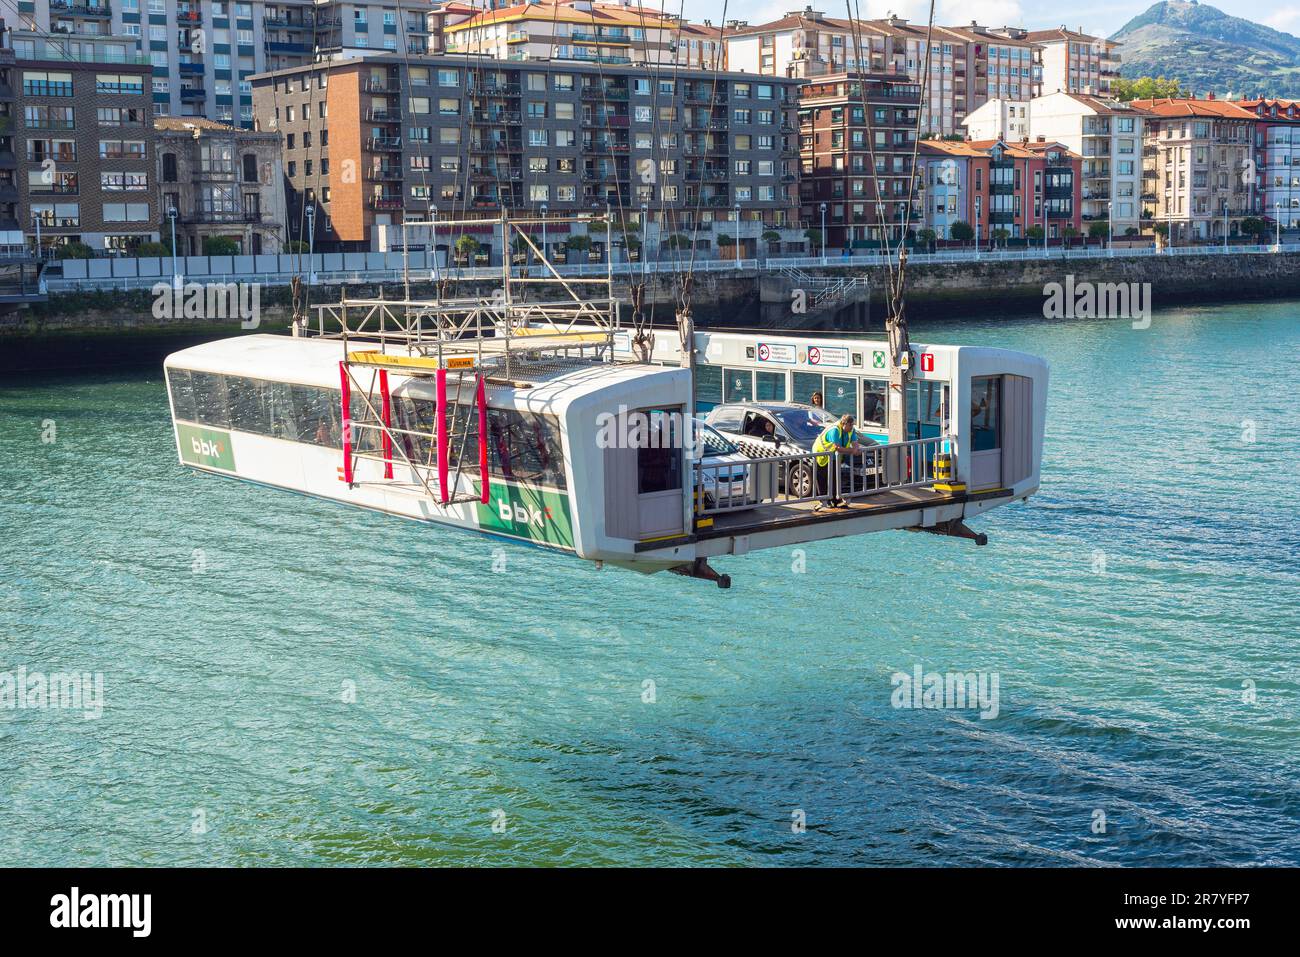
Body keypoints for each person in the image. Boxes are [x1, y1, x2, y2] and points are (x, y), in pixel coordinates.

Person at [812, 414, 868, 510]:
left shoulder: (851, 430)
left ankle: (835, 500)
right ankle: (824, 501)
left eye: (852, 425)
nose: (852, 427)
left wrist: (856, 448)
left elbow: (855, 444)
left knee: (834, 477)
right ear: (843, 424)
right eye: (850, 425)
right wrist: (852, 451)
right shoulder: (835, 430)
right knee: (822, 478)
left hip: (834, 456)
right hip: (821, 454)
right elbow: (837, 448)